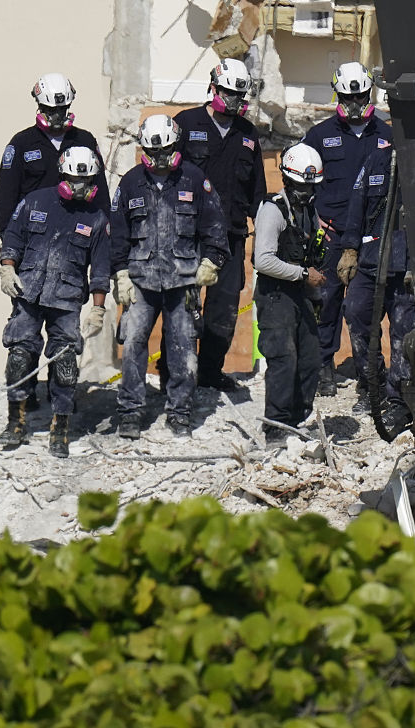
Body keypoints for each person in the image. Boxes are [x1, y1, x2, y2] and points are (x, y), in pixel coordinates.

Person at [110, 114, 229, 439]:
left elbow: (215, 226)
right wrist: (120, 273)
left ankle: (179, 412)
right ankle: (131, 413)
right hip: (140, 280)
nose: (160, 158)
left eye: (165, 151)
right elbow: (117, 233)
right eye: (153, 152)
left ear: (175, 147)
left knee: (183, 348)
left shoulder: (194, 179)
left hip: (183, 281)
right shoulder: (130, 183)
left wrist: (211, 262)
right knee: (133, 344)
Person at [0, 146, 110, 457]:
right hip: (28, 292)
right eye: (75, 179)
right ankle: (16, 421)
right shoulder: (34, 201)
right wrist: (7, 268)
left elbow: (101, 268)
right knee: (20, 356)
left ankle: (60, 427)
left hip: (66, 300)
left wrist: (98, 308)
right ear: (63, 175)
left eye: (87, 180)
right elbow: (13, 238)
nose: (81, 185)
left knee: (65, 364)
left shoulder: (96, 219)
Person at [302, 62, 395, 397]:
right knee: (325, 303)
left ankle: (369, 372)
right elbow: (302, 182)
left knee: (365, 308)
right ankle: (323, 368)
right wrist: (314, 221)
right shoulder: (318, 136)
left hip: (372, 239)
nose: (354, 102)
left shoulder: (387, 136)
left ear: (369, 94)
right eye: (347, 97)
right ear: (337, 96)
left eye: (360, 96)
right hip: (330, 235)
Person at [177, 58, 267, 390]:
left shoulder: (248, 134)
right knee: (182, 304)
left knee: (225, 306)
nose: (233, 100)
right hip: (188, 235)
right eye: (227, 92)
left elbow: (258, 192)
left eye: (239, 95)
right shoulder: (186, 124)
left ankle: (209, 373)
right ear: (213, 88)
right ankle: (177, 374)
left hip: (231, 236)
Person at [334, 142, 415, 438]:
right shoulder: (377, 160)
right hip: (372, 259)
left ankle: (399, 400)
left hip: (409, 264)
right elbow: (357, 206)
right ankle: (372, 386)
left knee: (403, 333)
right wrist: (349, 249)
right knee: (355, 313)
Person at [252, 144, 326, 447]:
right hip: (275, 295)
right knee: (283, 358)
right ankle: (275, 427)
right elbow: (263, 260)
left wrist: (314, 292)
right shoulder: (273, 210)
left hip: (300, 294)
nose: (305, 192)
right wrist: (304, 275)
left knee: (310, 358)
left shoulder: (309, 211)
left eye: (310, 186)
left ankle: (296, 421)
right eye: (300, 186)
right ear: (287, 179)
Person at [0, 73, 108, 237]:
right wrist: (7, 236)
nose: (57, 115)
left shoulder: (85, 141)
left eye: (62, 109)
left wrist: (106, 233)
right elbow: (7, 194)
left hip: (76, 235)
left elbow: (101, 191)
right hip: (33, 234)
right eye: (51, 110)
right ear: (40, 106)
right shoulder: (21, 144)